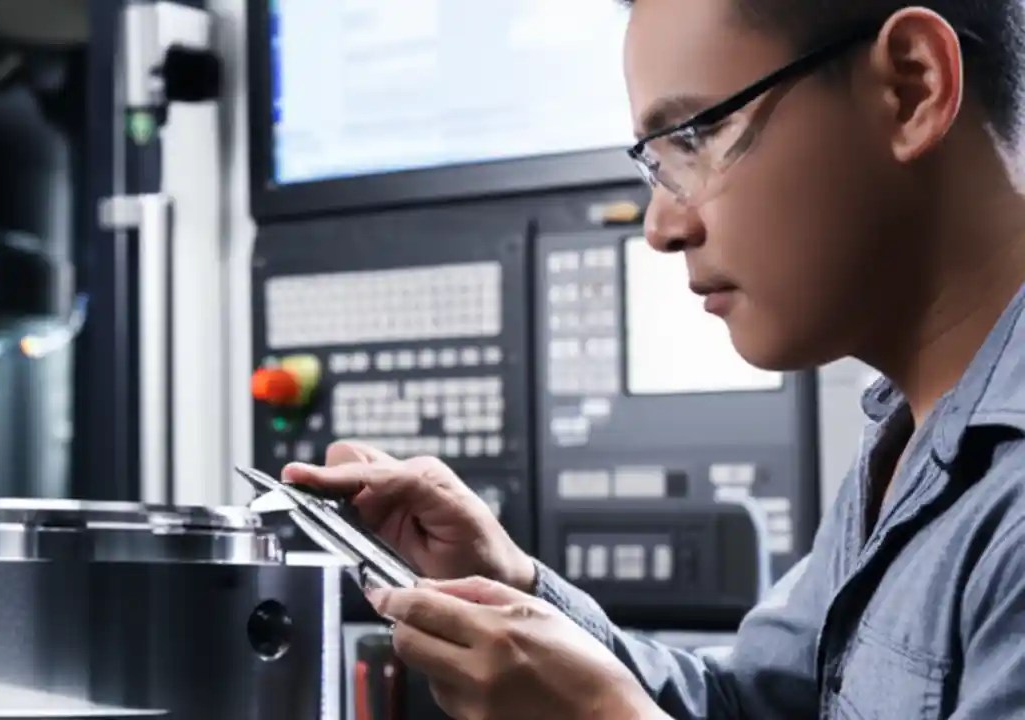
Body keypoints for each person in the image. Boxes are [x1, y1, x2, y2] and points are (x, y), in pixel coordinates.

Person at [282, 0, 1025, 718]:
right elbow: (755, 707)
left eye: (697, 136)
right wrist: (511, 589)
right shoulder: (912, 437)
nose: (663, 226)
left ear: (911, 87)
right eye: (656, 161)